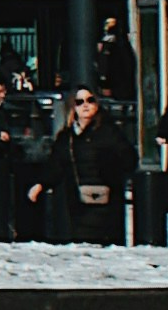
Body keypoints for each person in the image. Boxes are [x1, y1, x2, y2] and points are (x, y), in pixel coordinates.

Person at [56, 77, 132, 247]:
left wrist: (110, 168)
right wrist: (39, 184)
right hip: (78, 206)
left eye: (90, 100)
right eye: (80, 101)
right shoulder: (66, 137)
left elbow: (128, 159)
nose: (86, 105)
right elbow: (56, 165)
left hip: (107, 207)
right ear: (73, 107)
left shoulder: (109, 132)